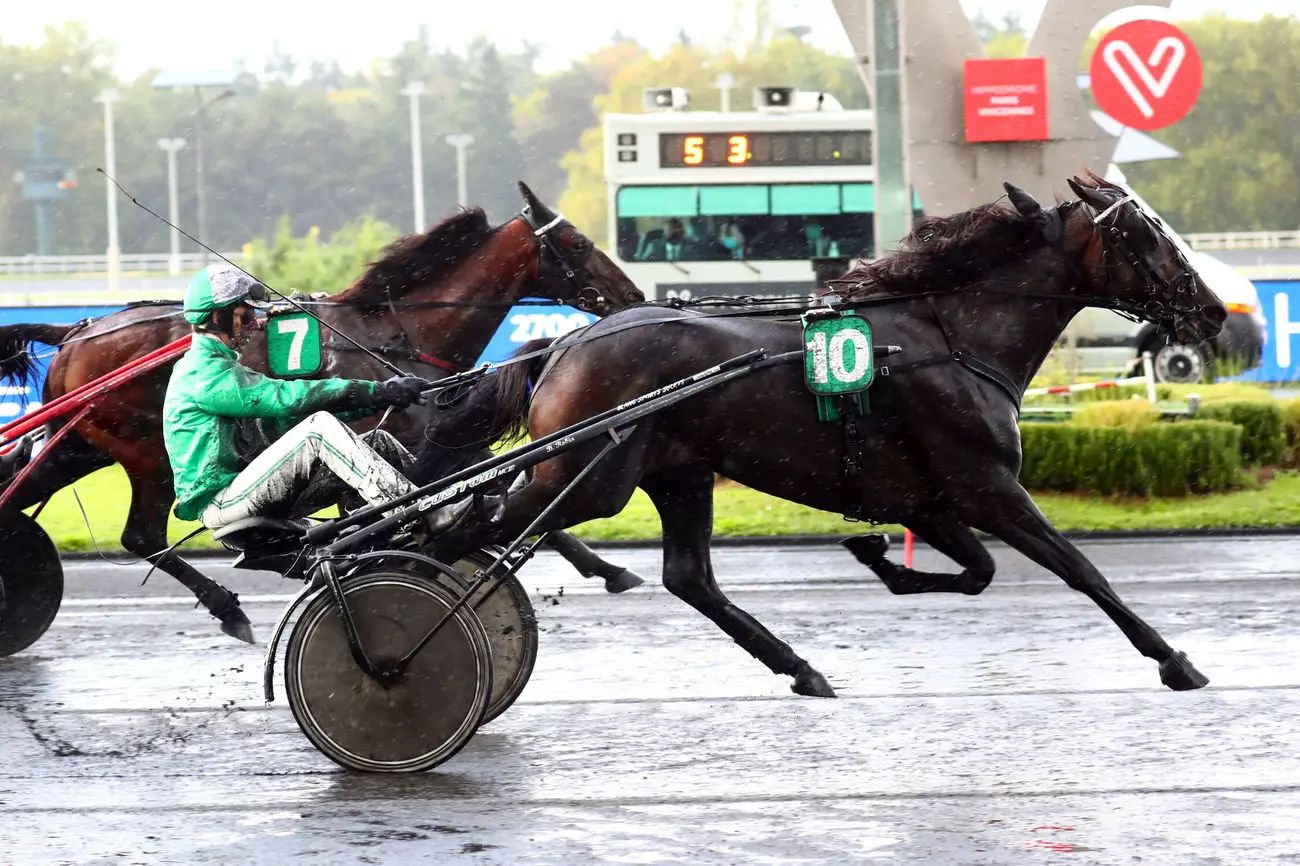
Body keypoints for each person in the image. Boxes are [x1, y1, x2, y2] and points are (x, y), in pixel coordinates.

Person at [162, 263, 467, 536]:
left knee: (379, 441)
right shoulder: (201, 372)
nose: (255, 325)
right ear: (218, 317)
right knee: (318, 427)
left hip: (246, 489)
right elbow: (286, 399)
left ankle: (444, 502)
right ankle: (422, 514)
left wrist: (378, 400)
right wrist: (376, 389)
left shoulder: (223, 369)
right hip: (222, 500)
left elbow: (283, 421)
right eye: (246, 315)